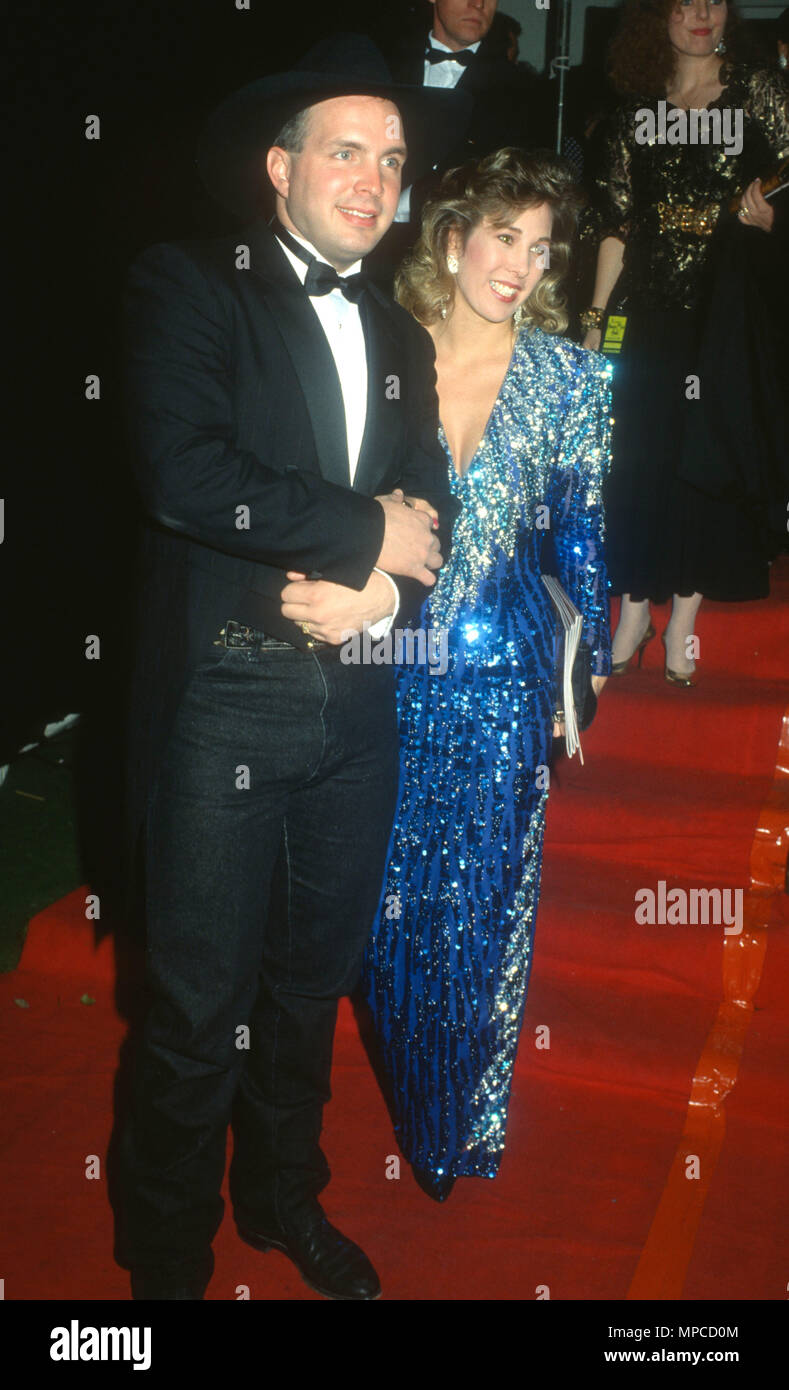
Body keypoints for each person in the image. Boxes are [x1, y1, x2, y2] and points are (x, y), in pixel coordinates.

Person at [114, 35, 463, 1302]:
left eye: (394, 159)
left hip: (359, 712)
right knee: (198, 1010)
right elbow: (183, 471)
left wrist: (386, 582)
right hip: (225, 697)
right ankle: (164, 1270)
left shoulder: (400, 331)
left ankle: (280, 1202)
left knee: (310, 986)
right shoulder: (190, 283)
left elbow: (433, 504)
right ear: (280, 165)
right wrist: (362, 527)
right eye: (347, 150)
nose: (375, 178)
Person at [361, 148, 612, 1201]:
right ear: (455, 234)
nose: (519, 264)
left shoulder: (572, 378)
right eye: (503, 236)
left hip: (503, 679)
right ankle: (407, 1077)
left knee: (475, 908)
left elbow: (586, 546)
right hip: (379, 668)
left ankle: (453, 1125)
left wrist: (578, 685)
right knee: (374, 914)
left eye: (540, 246)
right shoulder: (386, 348)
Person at [581, 0, 789, 684]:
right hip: (646, 314)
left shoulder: (759, 88)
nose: (702, 13)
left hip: (727, 310)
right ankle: (634, 610)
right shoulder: (634, 109)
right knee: (638, 460)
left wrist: (769, 225)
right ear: (653, 17)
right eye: (683, 1)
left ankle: (685, 625)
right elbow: (616, 223)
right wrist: (593, 316)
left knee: (704, 457)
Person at [367, 0, 551, 285]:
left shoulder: (523, 92)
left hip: (460, 262)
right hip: (369, 247)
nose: (478, 4)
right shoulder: (378, 63)